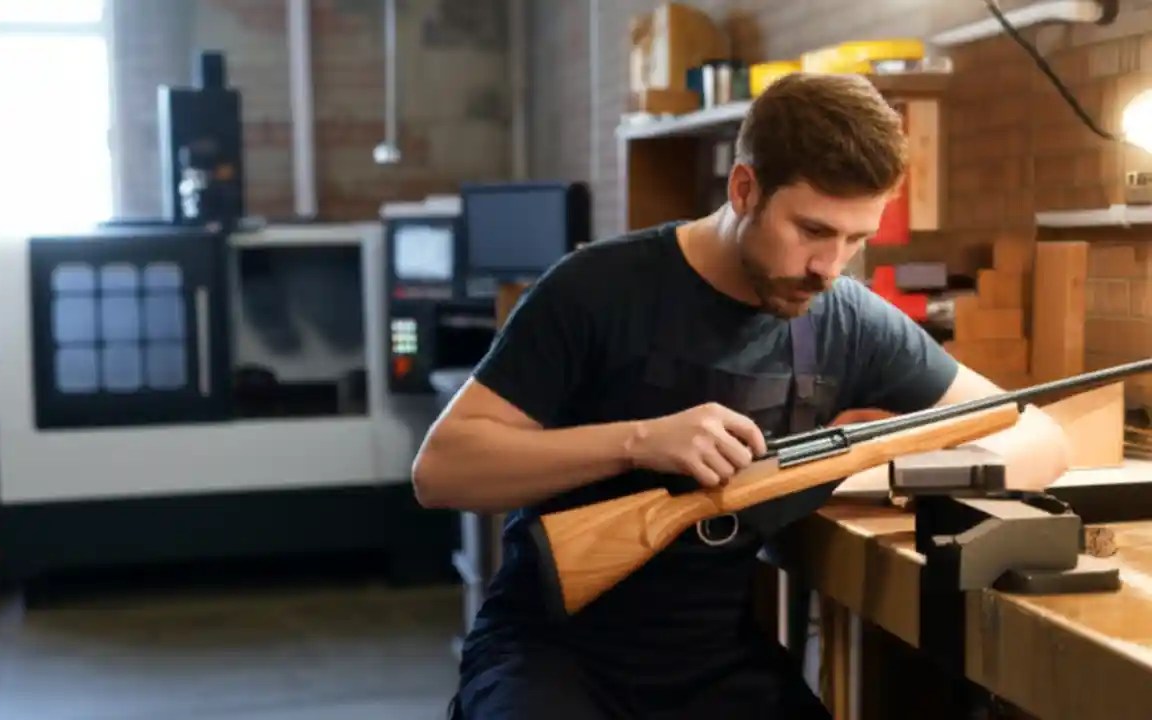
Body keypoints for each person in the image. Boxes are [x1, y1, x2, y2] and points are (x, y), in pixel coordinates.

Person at [413, 72, 1070, 720]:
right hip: (549, 647)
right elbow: (441, 471)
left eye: (856, 240)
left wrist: (873, 470)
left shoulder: (849, 320)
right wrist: (638, 440)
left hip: (710, 659)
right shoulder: (595, 288)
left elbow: (1035, 436)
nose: (830, 267)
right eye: (812, 231)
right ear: (744, 188)